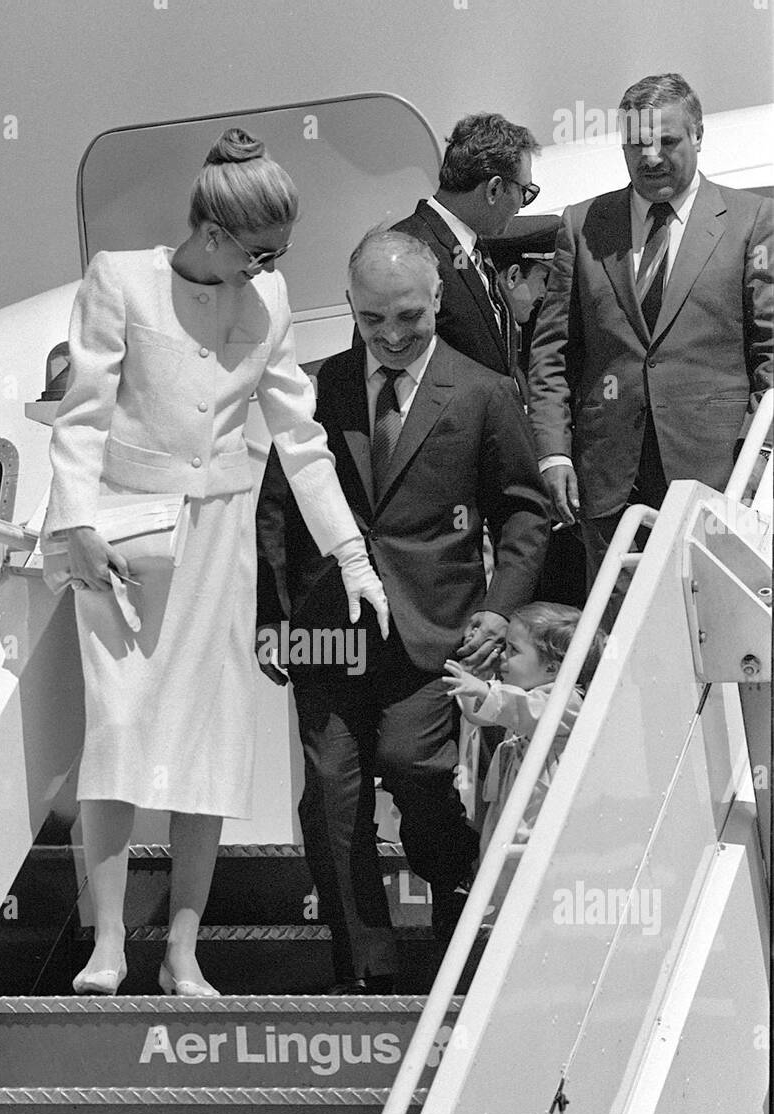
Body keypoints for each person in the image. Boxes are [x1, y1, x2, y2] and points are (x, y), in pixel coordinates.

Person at [43, 127, 388, 997]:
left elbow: (301, 445)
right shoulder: (121, 280)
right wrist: (76, 523)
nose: (269, 269)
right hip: (124, 536)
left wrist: (351, 556)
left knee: (206, 743)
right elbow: (81, 416)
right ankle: (109, 943)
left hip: (224, 540)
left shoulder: (264, 302)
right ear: (212, 233)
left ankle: (181, 952)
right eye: (260, 251)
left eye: (279, 253)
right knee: (117, 731)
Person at [255, 228, 550, 992]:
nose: (390, 335)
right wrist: (270, 619)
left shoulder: (482, 391)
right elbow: (276, 512)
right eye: (373, 319)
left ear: (436, 303)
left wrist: (497, 609)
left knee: (413, 766)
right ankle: (364, 963)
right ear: (351, 307)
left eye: (409, 318)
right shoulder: (315, 390)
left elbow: (521, 514)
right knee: (330, 797)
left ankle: (452, 878)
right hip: (327, 631)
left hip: (435, 630)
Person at [529, 73, 773, 620]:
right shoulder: (583, 224)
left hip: (721, 479)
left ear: (699, 134)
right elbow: (551, 354)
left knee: (719, 637)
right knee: (620, 644)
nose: (652, 157)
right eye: (636, 144)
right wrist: (554, 450)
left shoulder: (751, 221)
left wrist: (761, 457)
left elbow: (770, 353)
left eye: (667, 141)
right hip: (611, 483)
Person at [443, 601, 606, 914]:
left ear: (553, 667)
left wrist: (484, 691)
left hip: (540, 815)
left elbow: (524, 709)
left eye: (513, 651)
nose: (502, 658)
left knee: (534, 882)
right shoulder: (521, 697)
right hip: (510, 812)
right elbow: (488, 715)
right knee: (500, 871)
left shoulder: (570, 701)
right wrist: (468, 687)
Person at [392, 112, 542, 396]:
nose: (522, 206)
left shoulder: (472, 249)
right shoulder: (407, 252)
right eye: (525, 192)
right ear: (495, 189)